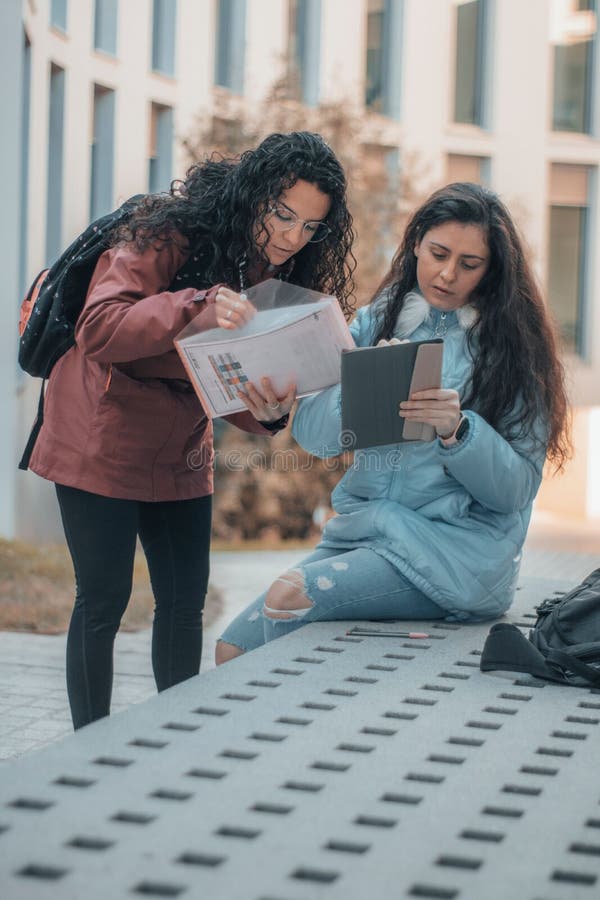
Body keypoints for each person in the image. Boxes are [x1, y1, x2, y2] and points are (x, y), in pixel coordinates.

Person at [28, 131, 355, 728]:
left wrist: (268, 410)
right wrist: (197, 305)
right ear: (252, 195)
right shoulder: (163, 233)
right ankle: (89, 749)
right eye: (283, 215)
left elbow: (215, 379)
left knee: (184, 605)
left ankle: (176, 744)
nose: (290, 237)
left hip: (178, 446)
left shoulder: (268, 274)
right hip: (97, 432)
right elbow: (98, 328)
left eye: (310, 227)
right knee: (102, 601)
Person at [216, 181, 570, 663]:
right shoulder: (375, 322)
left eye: (469, 264)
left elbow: (516, 491)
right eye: (437, 253)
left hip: (454, 559)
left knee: (285, 598)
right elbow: (316, 440)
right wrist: (361, 390)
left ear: (492, 272)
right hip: (364, 538)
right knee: (231, 648)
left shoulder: (514, 356)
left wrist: (458, 430)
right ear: (416, 244)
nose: (446, 274)